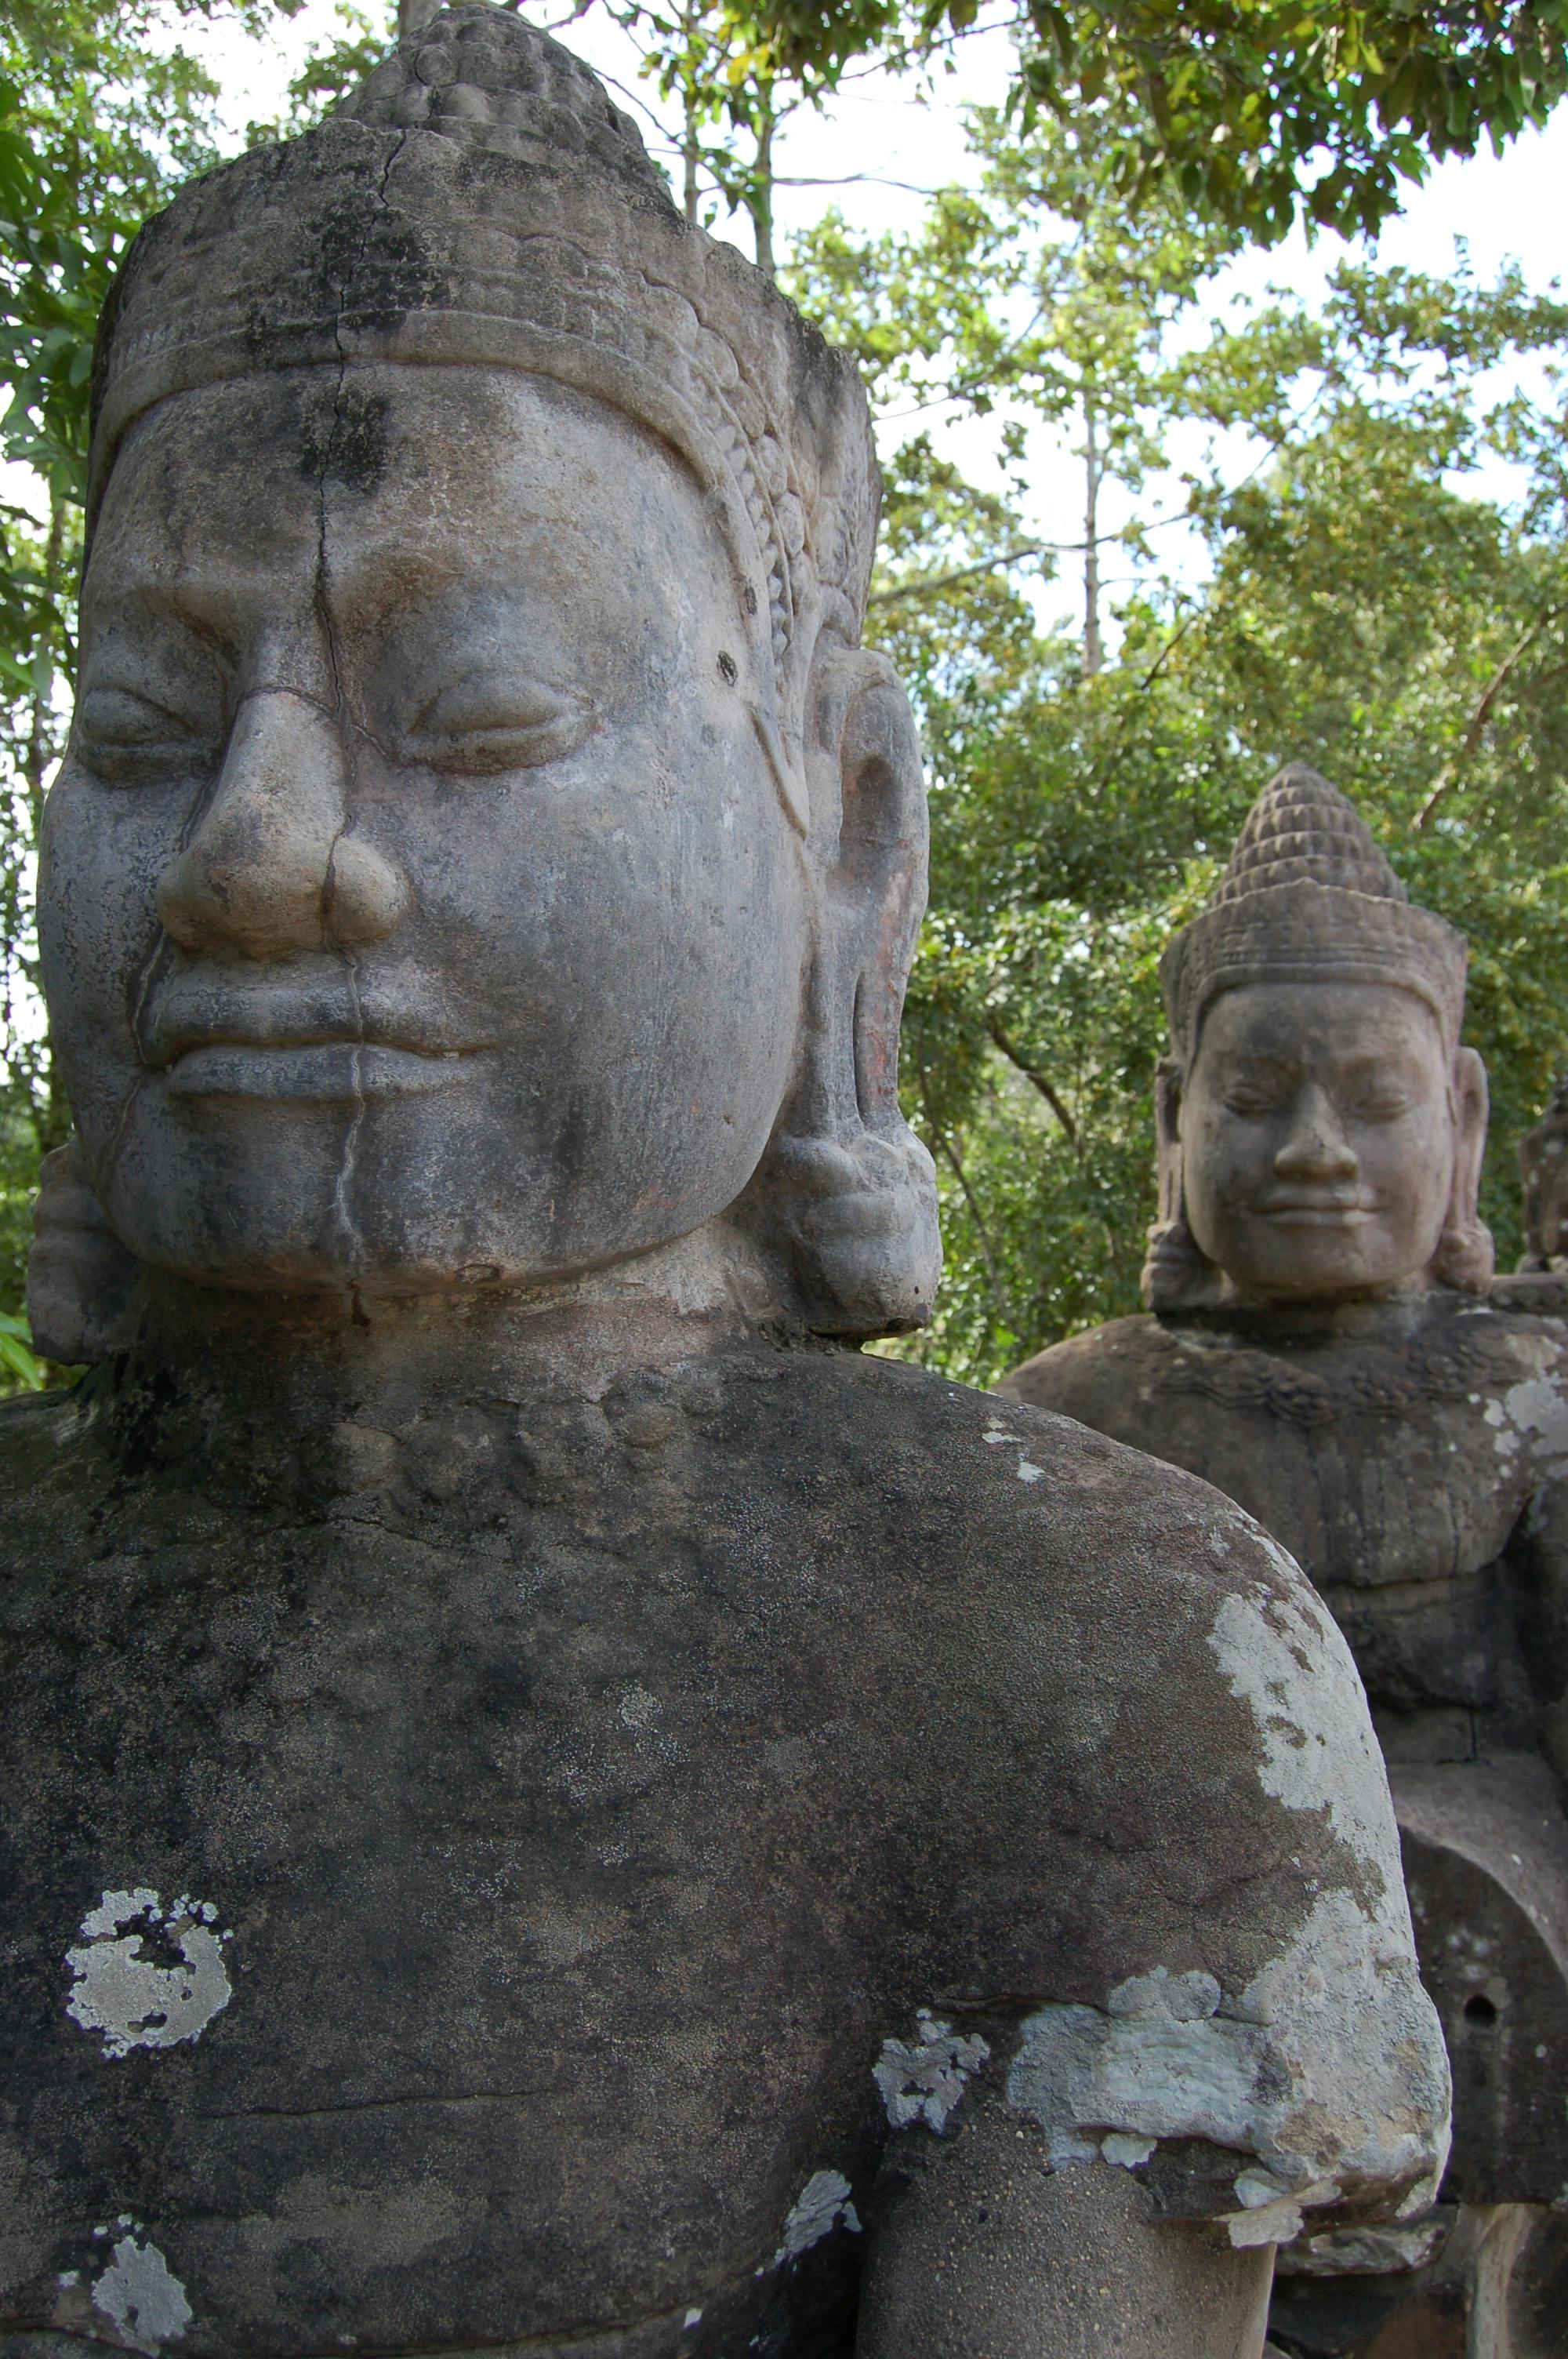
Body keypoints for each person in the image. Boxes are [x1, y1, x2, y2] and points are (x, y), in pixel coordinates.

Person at [0, 30, 1446, 2358]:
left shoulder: (1094, 1656)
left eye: (472, 713)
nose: (252, 859)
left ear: (844, 838)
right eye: (146, 732)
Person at [1003, 764, 1568, 2353]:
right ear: (1169, 1122)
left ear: (1455, 1121)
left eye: (1371, 1101)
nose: (1316, 1151)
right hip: (1163, 2019)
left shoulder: (1531, 1403)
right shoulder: (1080, 1408)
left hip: (1495, 2016)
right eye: (1254, 1102)